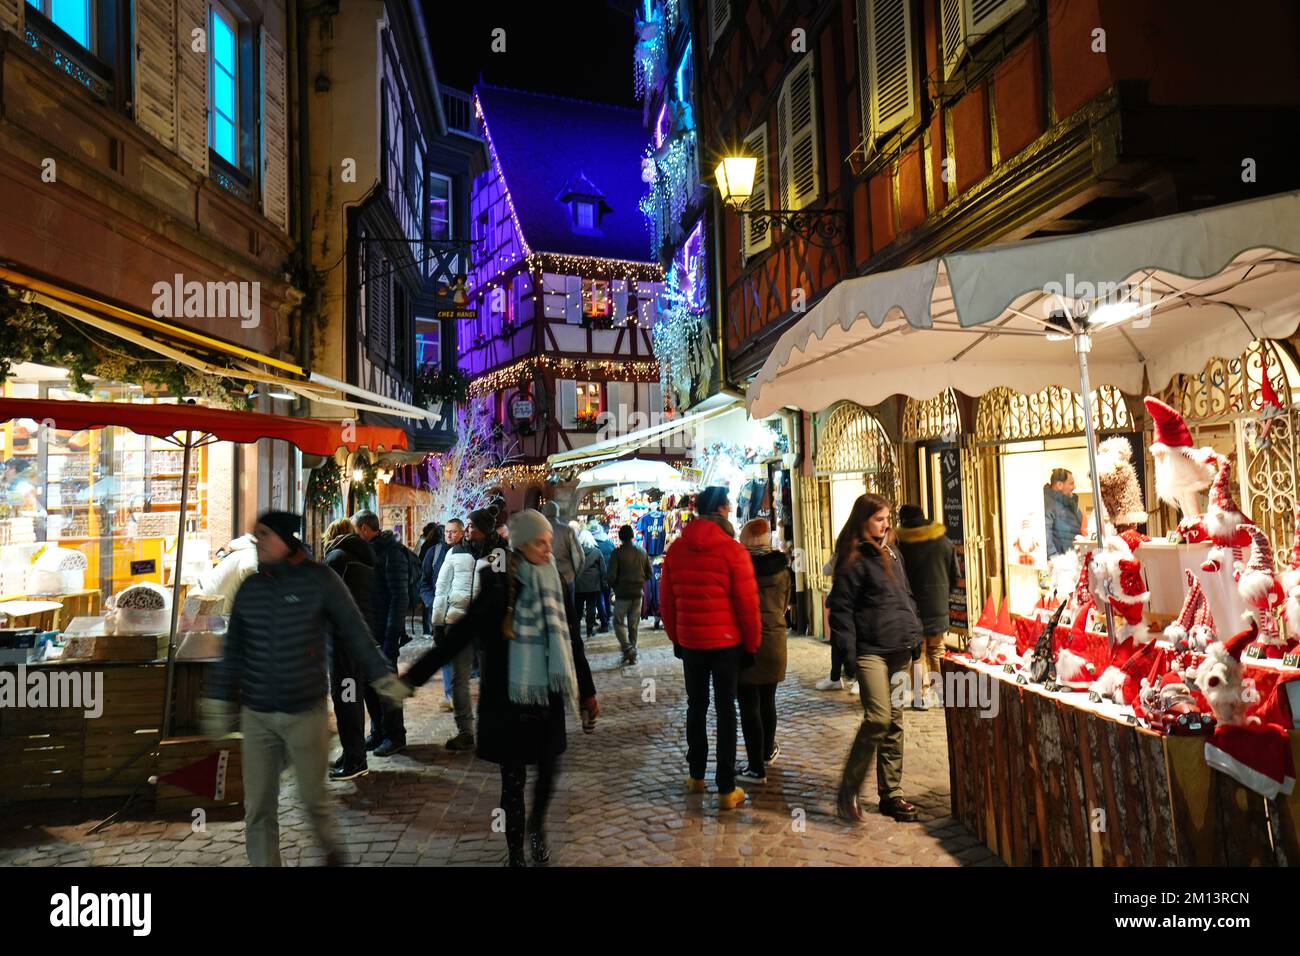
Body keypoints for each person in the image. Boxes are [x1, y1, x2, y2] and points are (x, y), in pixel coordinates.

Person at [200, 511, 410, 866]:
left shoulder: (320, 579)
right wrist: (219, 698)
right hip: (258, 714)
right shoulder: (251, 587)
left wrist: (382, 677)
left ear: (285, 539)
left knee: (313, 801)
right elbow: (233, 649)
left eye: (265, 535)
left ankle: (332, 852)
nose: (259, 542)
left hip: (305, 712)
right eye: (257, 535)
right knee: (259, 807)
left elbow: (354, 630)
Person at [401, 509, 579, 867]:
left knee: (546, 774)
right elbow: (460, 636)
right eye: (541, 543)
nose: (549, 549)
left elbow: (571, 639)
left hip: (546, 698)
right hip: (507, 702)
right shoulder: (497, 585)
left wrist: (586, 691)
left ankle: (537, 829)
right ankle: (515, 852)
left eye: (549, 542)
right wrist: (412, 679)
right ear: (524, 543)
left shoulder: (555, 581)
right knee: (512, 783)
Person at [660, 486, 760, 810]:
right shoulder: (732, 550)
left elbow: (667, 602)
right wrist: (752, 643)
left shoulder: (677, 550)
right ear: (719, 509)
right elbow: (747, 603)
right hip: (727, 644)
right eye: (728, 505)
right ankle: (727, 788)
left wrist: (677, 637)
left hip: (692, 643)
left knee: (696, 707)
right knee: (726, 710)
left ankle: (696, 776)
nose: (731, 509)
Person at [828, 494, 923, 824]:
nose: (886, 524)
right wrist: (849, 656)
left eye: (887, 518)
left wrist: (916, 634)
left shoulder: (892, 552)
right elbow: (840, 610)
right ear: (863, 520)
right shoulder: (853, 557)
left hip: (899, 648)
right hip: (871, 651)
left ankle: (891, 794)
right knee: (879, 718)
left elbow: (905, 595)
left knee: (895, 722)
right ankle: (848, 790)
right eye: (879, 519)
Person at [321, 518, 379, 780]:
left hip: (343, 639)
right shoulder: (363, 557)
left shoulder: (338, 557)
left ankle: (355, 760)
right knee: (352, 696)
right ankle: (352, 753)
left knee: (345, 698)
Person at [431, 511, 492, 750]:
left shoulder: (497, 553)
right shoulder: (454, 552)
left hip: (487, 626)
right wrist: (438, 622)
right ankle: (465, 730)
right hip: (457, 622)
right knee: (459, 679)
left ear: (485, 529)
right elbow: (441, 588)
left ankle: (490, 728)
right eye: (466, 526)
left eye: (472, 526)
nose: (467, 530)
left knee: (492, 678)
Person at [736, 518, 790, 784]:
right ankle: (767, 752)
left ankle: (755, 766)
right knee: (768, 698)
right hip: (775, 640)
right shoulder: (782, 570)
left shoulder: (739, 568)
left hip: (746, 641)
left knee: (749, 703)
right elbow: (785, 604)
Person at [352, 510, 410, 756]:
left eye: (356, 530)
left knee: (387, 686)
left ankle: (396, 735)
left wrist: (392, 634)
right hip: (369, 630)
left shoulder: (391, 552)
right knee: (368, 686)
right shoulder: (367, 551)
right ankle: (378, 731)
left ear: (365, 528)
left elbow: (399, 596)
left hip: (385, 632)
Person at [541, 500, 600, 732]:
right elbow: (580, 556)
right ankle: (585, 699)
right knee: (573, 641)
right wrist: (573, 575)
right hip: (565, 582)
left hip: (554, 587)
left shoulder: (538, 532)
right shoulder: (566, 530)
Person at [894, 504, 959, 708]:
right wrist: (943, 595)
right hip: (938, 604)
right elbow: (955, 576)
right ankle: (941, 695)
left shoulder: (901, 544)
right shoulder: (943, 541)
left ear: (903, 520)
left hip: (912, 605)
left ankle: (920, 697)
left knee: (918, 650)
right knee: (937, 649)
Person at [423, 518, 463, 706]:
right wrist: (432, 603)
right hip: (439, 612)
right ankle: (450, 693)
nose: (449, 534)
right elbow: (423, 583)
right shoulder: (434, 553)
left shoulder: (468, 553)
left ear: (461, 533)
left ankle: (456, 690)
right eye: (447, 531)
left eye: (453, 531)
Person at [606, 524, 651, 665]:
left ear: (620, 537)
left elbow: (611, 576)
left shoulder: (617, 553)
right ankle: (632, 651)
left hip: (622, 594)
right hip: (638, 594)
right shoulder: (642, 552)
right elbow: (649, 574)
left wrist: (615, 587)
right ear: (632, 535)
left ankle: (627, 648)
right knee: (633, 625)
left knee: (618, 622)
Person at [816, 551, 859, 696]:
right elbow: (825, 570)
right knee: (836, 641)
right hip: (838, 602)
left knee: (849, 642)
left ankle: (858, 678)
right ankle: (835, 677)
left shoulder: (861, 554)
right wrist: (835, 559)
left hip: (854, 603)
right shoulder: (841, 555)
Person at [195, 532, 258, 614]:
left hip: (203, 602)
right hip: (205, 609)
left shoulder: (247, 550)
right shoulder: (251, 555)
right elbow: (250, 568)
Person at [573, 529, 607, 641]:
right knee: (591, 607)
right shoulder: (597, 552)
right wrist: (604, 584)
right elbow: (603, 570)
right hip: (593, 585)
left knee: (578, 608)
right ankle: (589, 630)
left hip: (579, 584)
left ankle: (576, 631)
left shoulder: (576, 552)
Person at [1044, 468, 1084, 559]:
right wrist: (1055, 560)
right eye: (1071, 483)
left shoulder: (1069, 503)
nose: (1074, 487)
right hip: (1060, 565)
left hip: (1070, 561)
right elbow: (1045, 536)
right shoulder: (1048, 505)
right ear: (1059, 485)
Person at [417, 522, 443, 635]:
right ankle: (436, 630)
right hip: (439, 578)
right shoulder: (443, 546)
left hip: (427, 577)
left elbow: (420, 560)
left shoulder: (426, 544)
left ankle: (427, 630)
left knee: (427, 606)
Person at [590, 522, 617, 632]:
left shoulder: (593, 544)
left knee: (599, 599)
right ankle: (608, 617)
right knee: (607, 597)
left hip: (597, 576)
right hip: (609, 575)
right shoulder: (609, 543)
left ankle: (604, 622)